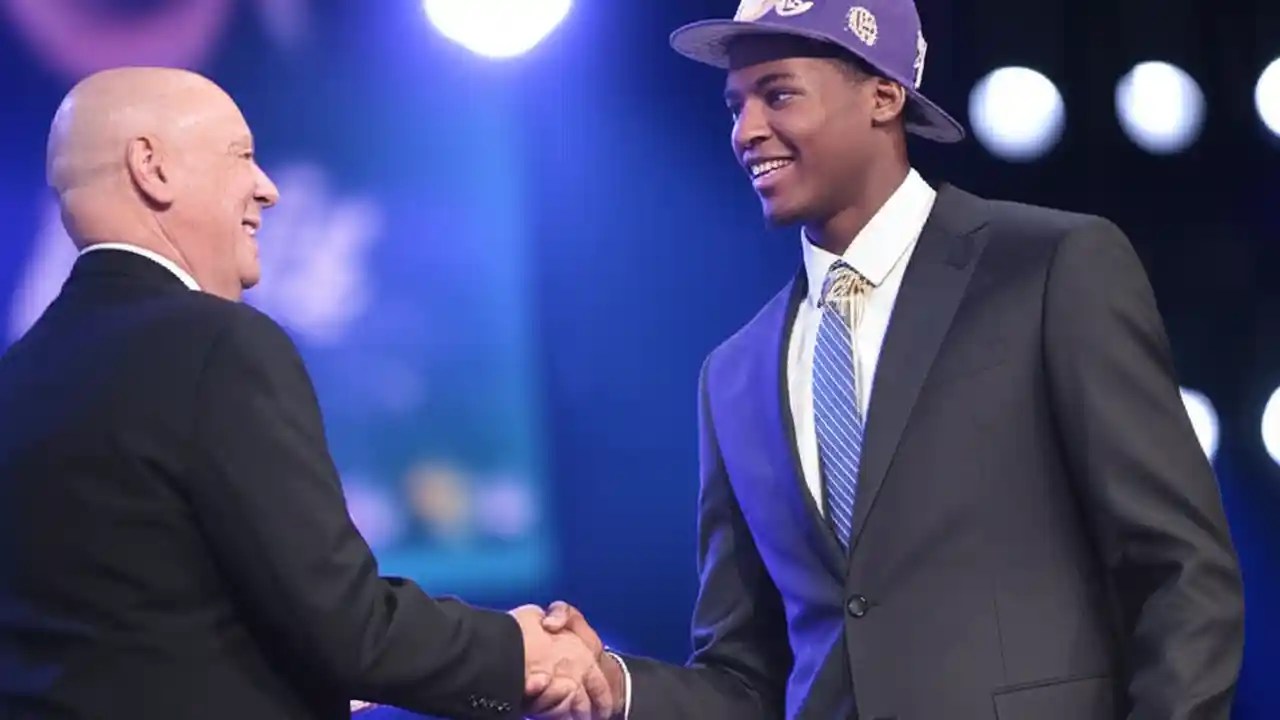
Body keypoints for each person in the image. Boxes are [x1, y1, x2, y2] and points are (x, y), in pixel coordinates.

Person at [537, 1, 1247, 718]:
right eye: (735, 105)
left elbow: (1182, 571)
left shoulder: (1049, 270)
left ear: (884, 94)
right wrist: (615, 686)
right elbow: (745, 675)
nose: (746, 131)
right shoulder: (733, 375)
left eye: (777, 94)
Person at [0, 67, 613, 720]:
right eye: (241, 156)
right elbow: (344, 625)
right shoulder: (217, 344)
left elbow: (161, 631)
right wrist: (517, 652)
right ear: (153, 168)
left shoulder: (19, 375)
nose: (267, 189)